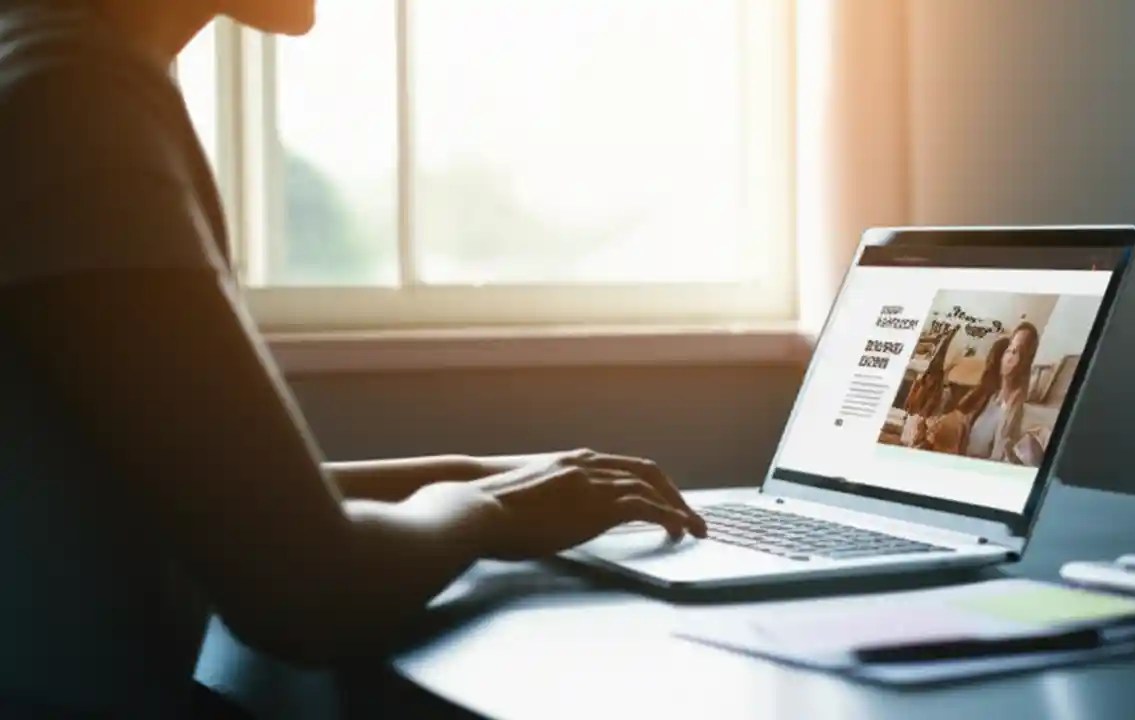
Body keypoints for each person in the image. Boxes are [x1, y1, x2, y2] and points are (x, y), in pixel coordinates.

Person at [0, 1, 706, 716]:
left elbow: (211, 503)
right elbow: (307, 589)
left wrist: (478, 475)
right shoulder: (71, 95)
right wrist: (487, 508)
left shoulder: (43, 59)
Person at [963, 323, 1040, 462]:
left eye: (1020, 351)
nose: (1011, 355)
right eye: (1010, 349)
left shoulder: (1017, 411)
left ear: (1027, 363)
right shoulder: (989, 398)